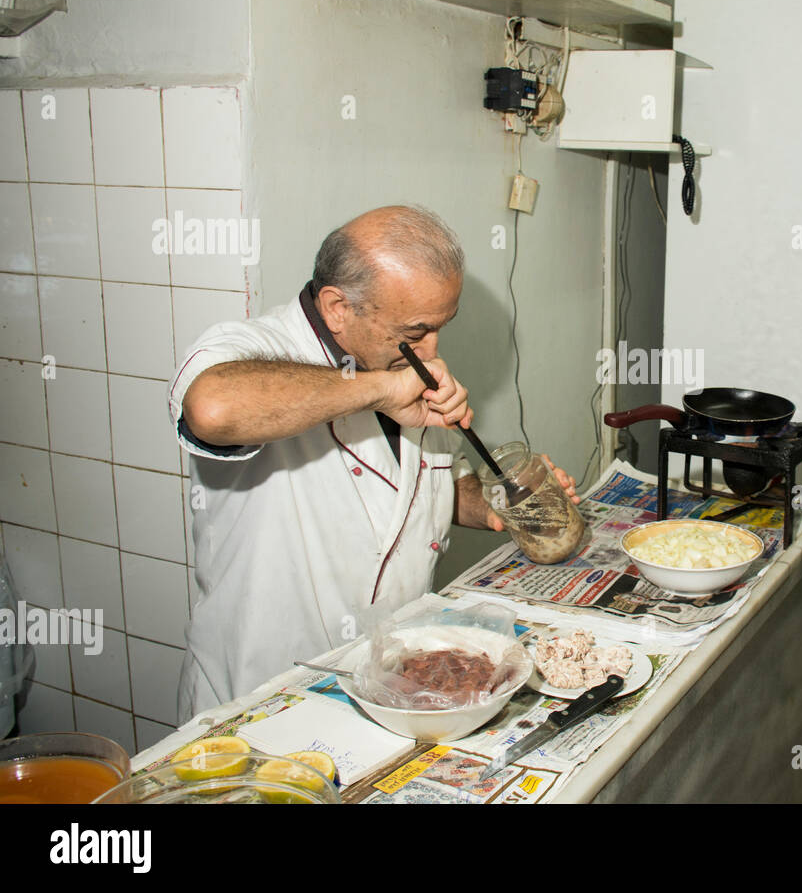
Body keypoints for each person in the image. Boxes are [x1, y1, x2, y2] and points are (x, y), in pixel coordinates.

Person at [168, 205, 578, 719]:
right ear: (337, 307)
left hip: (397, 684)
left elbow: (415, 494)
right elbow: (211, 408)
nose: (432, 349)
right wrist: (383, 390)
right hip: (266, 695)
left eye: (440, 326)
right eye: (415, 332)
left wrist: (493, 501)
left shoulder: (395, 359)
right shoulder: (256, 346)